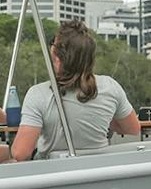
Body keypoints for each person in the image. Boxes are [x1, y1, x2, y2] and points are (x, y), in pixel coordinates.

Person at [12, 19, 141, 161]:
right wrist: (101, 119)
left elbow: (21, 153)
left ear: (56, 57)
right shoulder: (111, 87)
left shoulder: (38, 94)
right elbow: (133, 129)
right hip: (98, 172)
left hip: (52, 175)